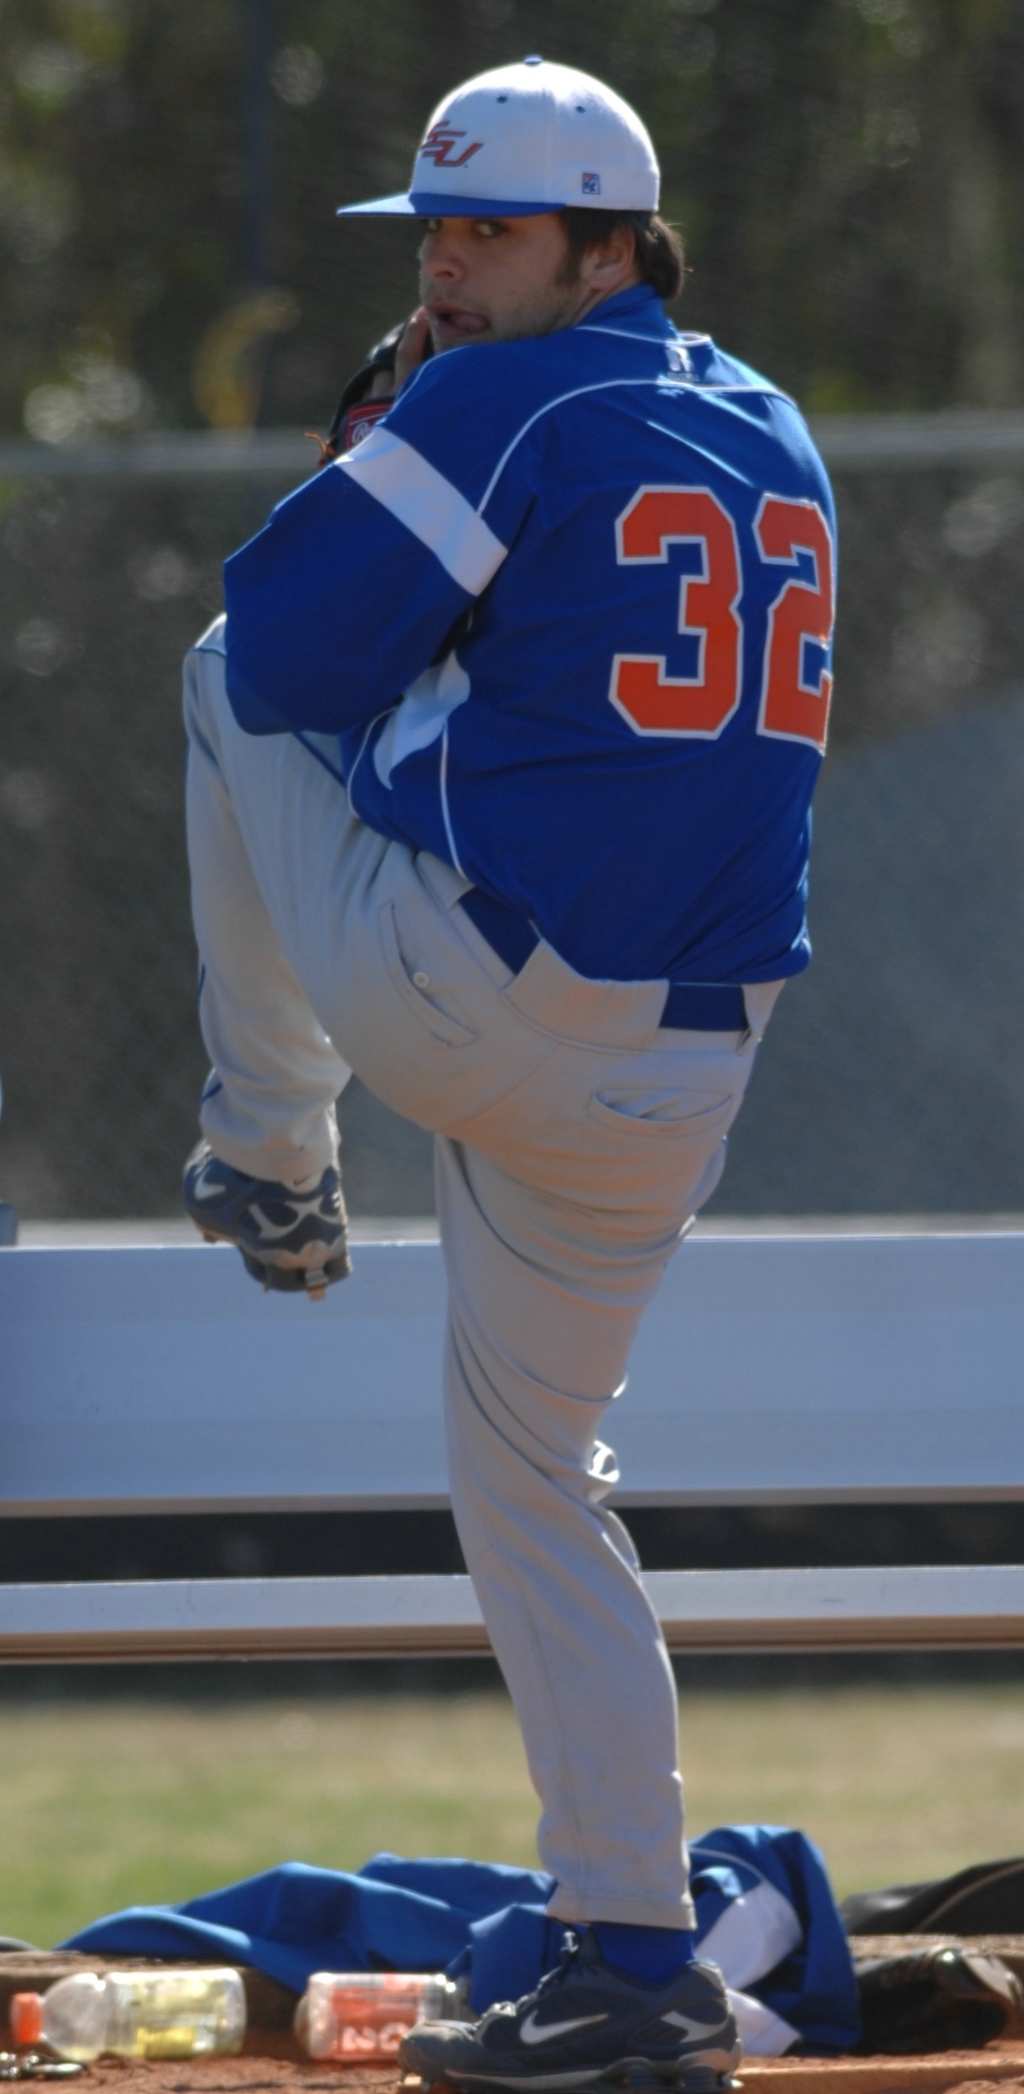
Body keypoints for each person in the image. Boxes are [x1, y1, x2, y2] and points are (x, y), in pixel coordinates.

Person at [180, 55, 835, 2092]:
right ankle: (629, 1955)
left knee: (210, 681)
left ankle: (270, 1151)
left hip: (480, 1002)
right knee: (536, 1480)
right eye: (433, 232)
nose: (448, 266)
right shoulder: (775, 425)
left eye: (486, 232)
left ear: (604, 244)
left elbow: (278, 657)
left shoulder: (494, 395)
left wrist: (377, 467)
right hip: (684, 1069)